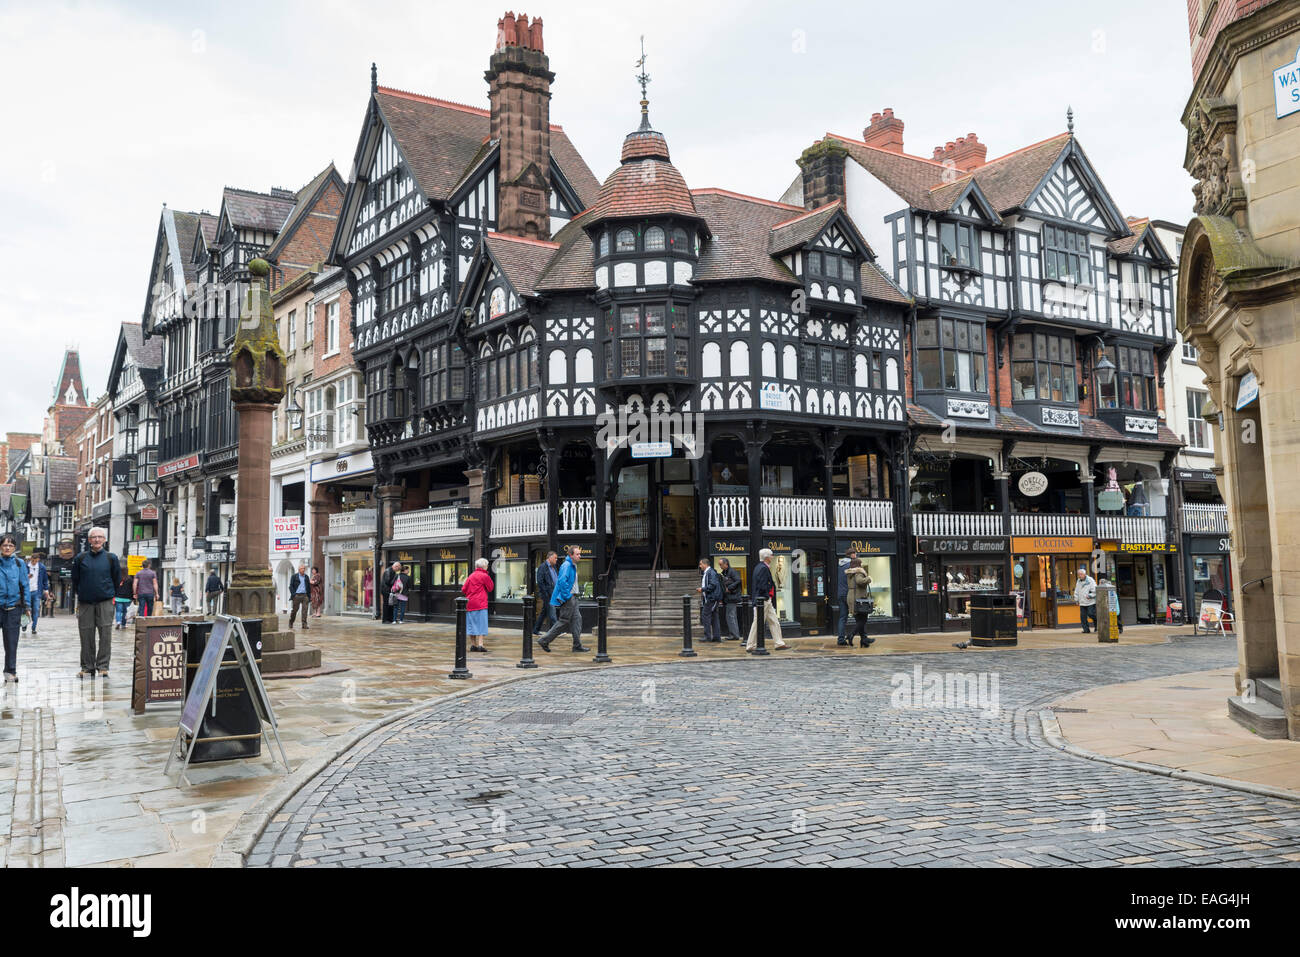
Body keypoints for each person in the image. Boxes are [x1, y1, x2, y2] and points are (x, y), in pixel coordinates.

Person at [71, 528, 120, 679]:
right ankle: (87, 667)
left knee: (105, 635)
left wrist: (109, 594)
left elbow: (116, 579)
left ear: (104, 539)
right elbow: (75, 579)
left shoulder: (111, 558)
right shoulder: (80, 558)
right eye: (94, 537)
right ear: (89, 540)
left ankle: (103, 667)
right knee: (86, 635)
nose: (97, 540)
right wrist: (82, 594)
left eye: (100, 537)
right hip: (86, 603)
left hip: (105, 602)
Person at [538, 545, 589, 653]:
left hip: (573, 597)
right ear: (571, 555)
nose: (580, 556)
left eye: (580, 554)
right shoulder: (566, 565)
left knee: (577, 620)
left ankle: (577, 645)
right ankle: (544, 640)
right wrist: (567, 596)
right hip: (569, 598)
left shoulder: (573, 565)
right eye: (577, 554)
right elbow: (561, 581)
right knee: (563, 622)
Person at [746, 548, 789, 652]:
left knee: (774, 621)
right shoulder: (763, 568)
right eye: (771, 555)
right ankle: (750, 645)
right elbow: (762, 585)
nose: (772, 557)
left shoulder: (759, 567)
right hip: (763, 600)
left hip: (765, 600)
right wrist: (766, 596)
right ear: (767, 557)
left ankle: (779, 643)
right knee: (757, 623)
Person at [0, 535, 29, 683]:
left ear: (14, 548)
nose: (7, 548)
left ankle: (10, 671)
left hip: (13, 608)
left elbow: (25, 585)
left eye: (10, 545)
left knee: (11, 643)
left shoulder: (20, 564)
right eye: (4, 545)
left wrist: (27, 606)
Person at [462, 558, 494, 653]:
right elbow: (491, 587)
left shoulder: (471, 576)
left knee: (471, 624)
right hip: (481, 603)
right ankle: (480, 645)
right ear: (484, 566)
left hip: (470, 603)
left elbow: (464, 589)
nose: (487, 567)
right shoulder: (484, 576)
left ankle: (473, 645)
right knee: (481, 624)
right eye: (487, 565)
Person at [844, 556, 875, 648]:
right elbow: (859, 581)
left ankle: (864, 640)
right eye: (860, 564)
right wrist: (868, 578)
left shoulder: (850, 573)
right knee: (863, 620)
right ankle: (851, 635)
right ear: (858, 565)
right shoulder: (858, 572)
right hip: (859, 598)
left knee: (859, 619)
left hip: (851, 597)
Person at [697, 557, 723, 643]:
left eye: (701, 564)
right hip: (711, 598)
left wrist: (703, 589)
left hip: (712, 598)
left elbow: (713, 585)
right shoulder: (707, 572)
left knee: (705, 615)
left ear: (705, 564)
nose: (700, 566)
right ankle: (716, 637)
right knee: (714, 616)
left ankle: (707, 636)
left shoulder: (710, 572)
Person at [23, 553, 49, 636]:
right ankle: (24, 624)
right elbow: (20, 578)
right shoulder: (25, 566)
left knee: (36, 610)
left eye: (36, 561)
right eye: (33, 561)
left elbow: (45, 579)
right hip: (26, 591)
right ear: (31, 559)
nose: (34, 562)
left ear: (38, 560)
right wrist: (27, 576)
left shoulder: (42, 568)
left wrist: (46, 589)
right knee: (26, 609)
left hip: (37, 592)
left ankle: (33, 628)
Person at [532, 551, 558, 635]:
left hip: (553, 593)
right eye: (555, 558)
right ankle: (557, 630)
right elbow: (540, 581)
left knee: (544, 612)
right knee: (552, 612)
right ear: (549, 558)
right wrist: (545, 593)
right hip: (547, 594)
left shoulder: (554, 567)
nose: (556, 559)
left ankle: (536, 630)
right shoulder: (542, 567)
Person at [836, 548, 858, 645]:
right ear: (852, 555)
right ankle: (859, 636)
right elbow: (857, 579)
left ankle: (840, 639)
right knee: (859, 616)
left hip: (840, 593)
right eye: (855, 553)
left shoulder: (840, 565)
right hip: (850, 594)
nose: (856, 555)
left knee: (842, 617)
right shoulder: (852, 565)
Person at [719, 558, 742, 640]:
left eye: (721, 564)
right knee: (731, 616)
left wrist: (729, 588)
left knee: (730, 616)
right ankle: (734, 634)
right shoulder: (725, 573)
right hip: (728, 598)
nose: (720, 566)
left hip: (732, 598)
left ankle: (734, 635)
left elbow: (738, 581)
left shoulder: (732, 571)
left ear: (726, 564)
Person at [1074, 566, 1097, 634]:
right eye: (1079, 574)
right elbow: (1076, 591)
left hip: (1090, 602)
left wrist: (1090, 595)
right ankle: (1086, 630)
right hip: (1082, 602)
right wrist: (1076, 600)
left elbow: (1095, 590)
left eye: (1081, 574)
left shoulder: (1090, 580)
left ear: (1084, 574)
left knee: (1091, 614)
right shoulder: (1078, 581)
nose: (1080, 576)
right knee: (1083, 617)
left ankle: (1097, 625)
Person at [288, 563, 311, 629]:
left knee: (305, 610)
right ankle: (291, 622)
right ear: (299, 570)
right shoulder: (294, 576)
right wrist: (293, 594)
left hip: (305, 595)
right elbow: (291, 586)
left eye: (304, 568)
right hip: (297, 595)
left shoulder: (306, 577)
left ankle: (304, 624)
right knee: (295, 610)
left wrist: (309, 596)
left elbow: (308, 587)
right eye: (302, 568)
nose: (303, 570)